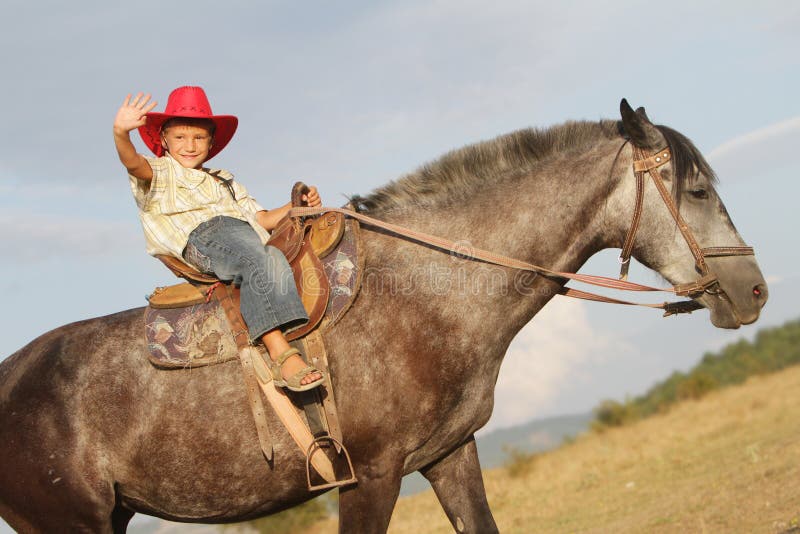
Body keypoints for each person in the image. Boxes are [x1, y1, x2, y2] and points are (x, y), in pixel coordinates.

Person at [113, 86, 324, 392]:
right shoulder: (160, 171)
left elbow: (261, 219)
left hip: (242, 233)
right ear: (163, 139)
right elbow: (133, 162)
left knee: (272, 256)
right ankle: (281, 354)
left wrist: (297, 207)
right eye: (180, 137)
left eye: (199, 137)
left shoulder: (224, 179)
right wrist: (121, 133)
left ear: (210, 142)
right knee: (253, 258)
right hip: (202, 237)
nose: (190, 145)